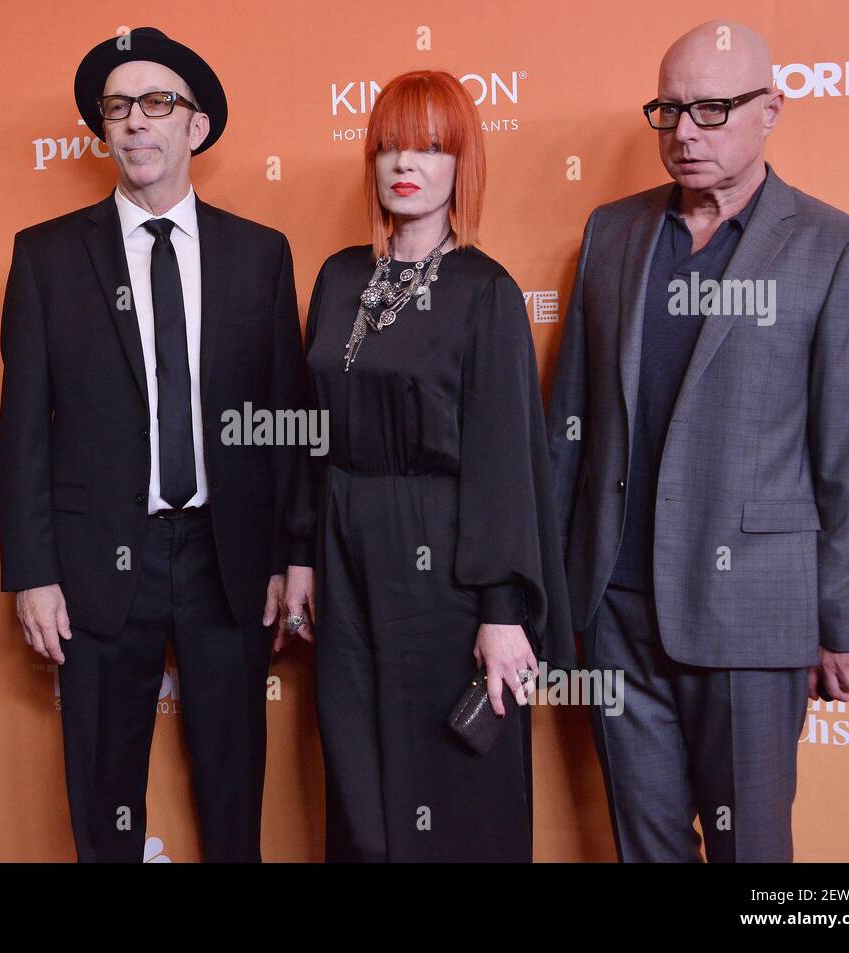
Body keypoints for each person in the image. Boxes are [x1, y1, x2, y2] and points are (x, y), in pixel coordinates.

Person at [547, 21, 849, 862]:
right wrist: (555, 596)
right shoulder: (612, 233)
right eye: (669, 110)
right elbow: (569, 427)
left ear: (771, 109)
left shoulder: (837, 248)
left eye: (712, 109)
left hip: (752, 618)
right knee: (646, 847)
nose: (685, 132)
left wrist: (838, 619)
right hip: (617, 612)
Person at [0, 27, 305, 862]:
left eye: (157, 103)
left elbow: (286, 422)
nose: (136, 122)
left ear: (195, 127)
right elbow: (22, 428)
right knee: (103, 793)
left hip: (227, 556)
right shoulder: (46, 256)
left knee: (234, 785)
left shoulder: (260, 255)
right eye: (118, 107)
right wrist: (32, 571)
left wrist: (292, 554)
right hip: (98, 558)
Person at [281, 70, 575, 862]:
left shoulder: (487, 291)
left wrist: (503, 609)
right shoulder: (340, 277)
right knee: (357, 774)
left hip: (445, 562)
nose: (405, 162)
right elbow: (314, 431)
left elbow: (506, 462)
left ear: (460, 165)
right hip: (346, 552)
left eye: (430, 146)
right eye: (388, 145)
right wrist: (301, 552)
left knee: (448, 786)